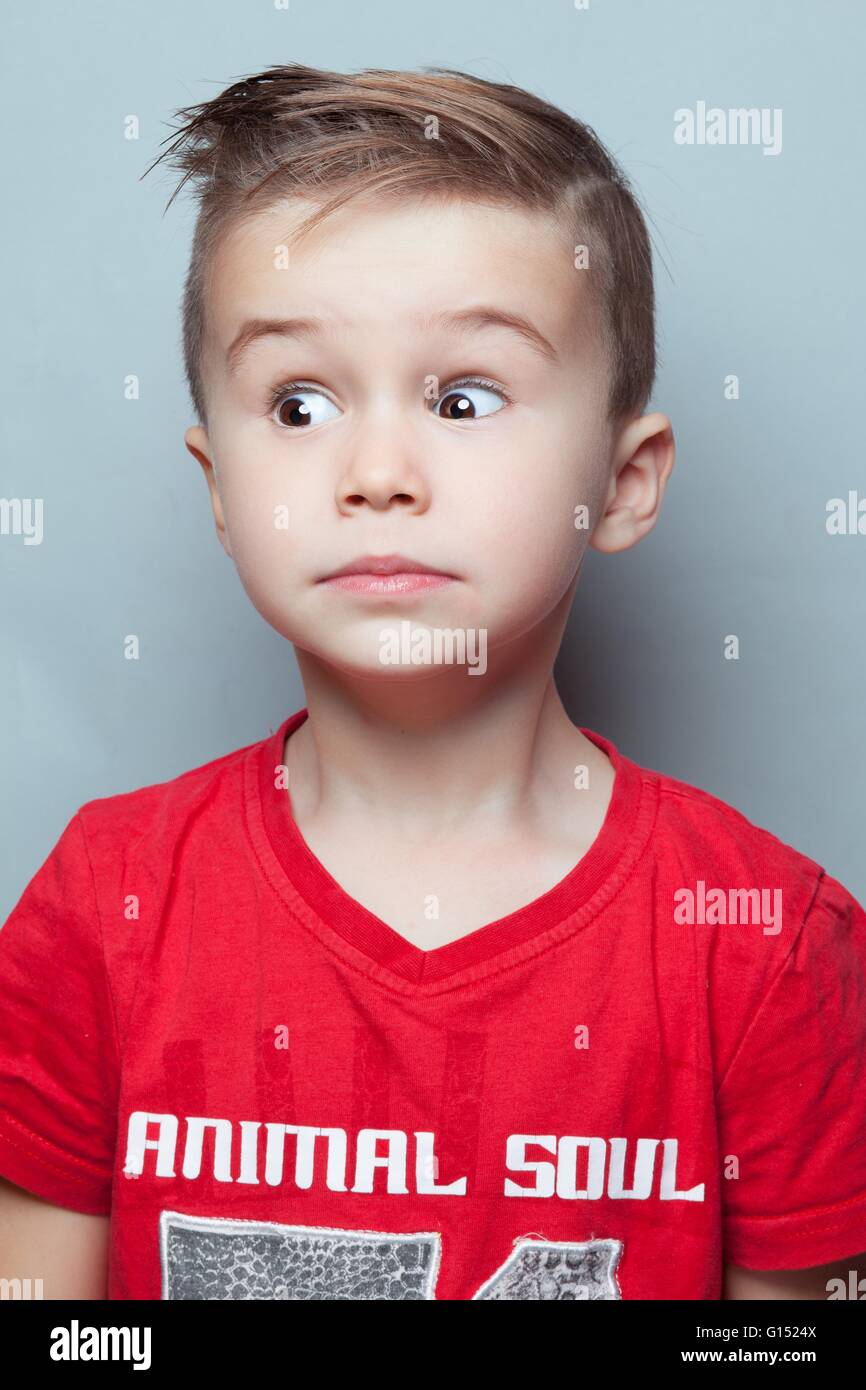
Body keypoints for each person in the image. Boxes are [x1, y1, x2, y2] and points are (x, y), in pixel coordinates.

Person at [1, 63, 864, 1301]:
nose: (377, 469)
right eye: (298, 403)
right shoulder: (105, 906)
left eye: (463, 397)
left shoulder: (767, 950)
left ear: (622, 482)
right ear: (218, 491)